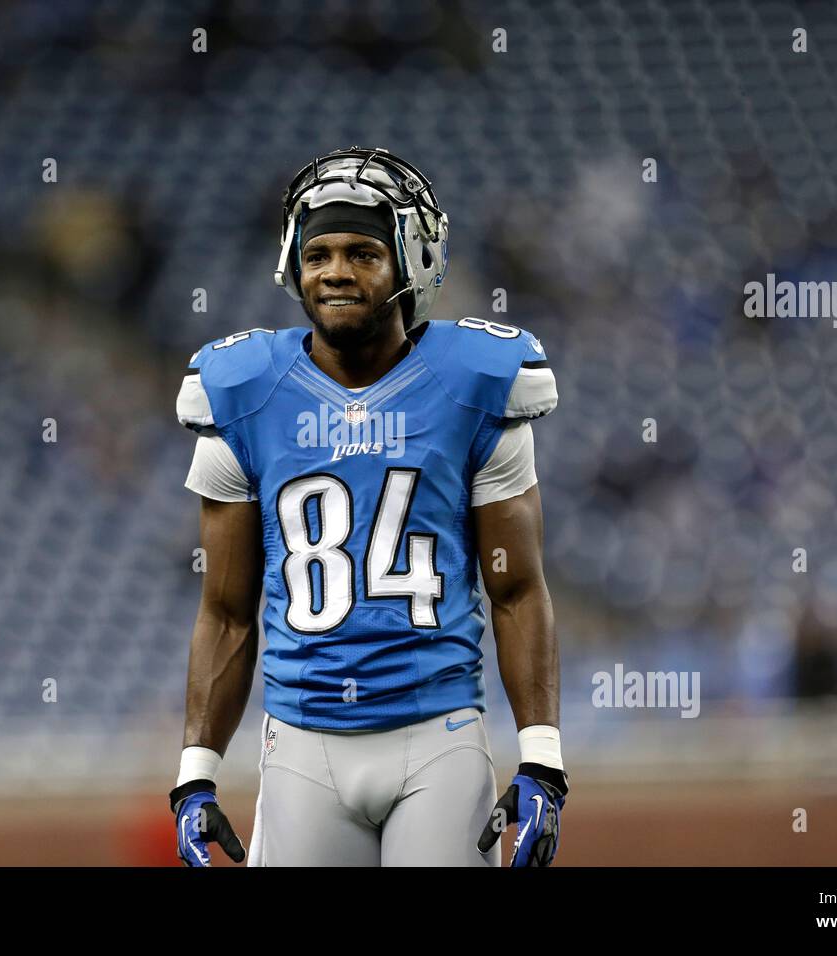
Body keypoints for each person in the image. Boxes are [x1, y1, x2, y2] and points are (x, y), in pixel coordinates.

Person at [169, 147, 564, 866]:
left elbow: (516, 588)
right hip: (301, 744)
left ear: (410, 261)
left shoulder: (470, 382)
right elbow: (225, 611)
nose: (337, 272)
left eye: (362, 252)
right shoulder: (244, 391)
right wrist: (195, 774)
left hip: (437, 737)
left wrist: (541, 758)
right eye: (317, 253)